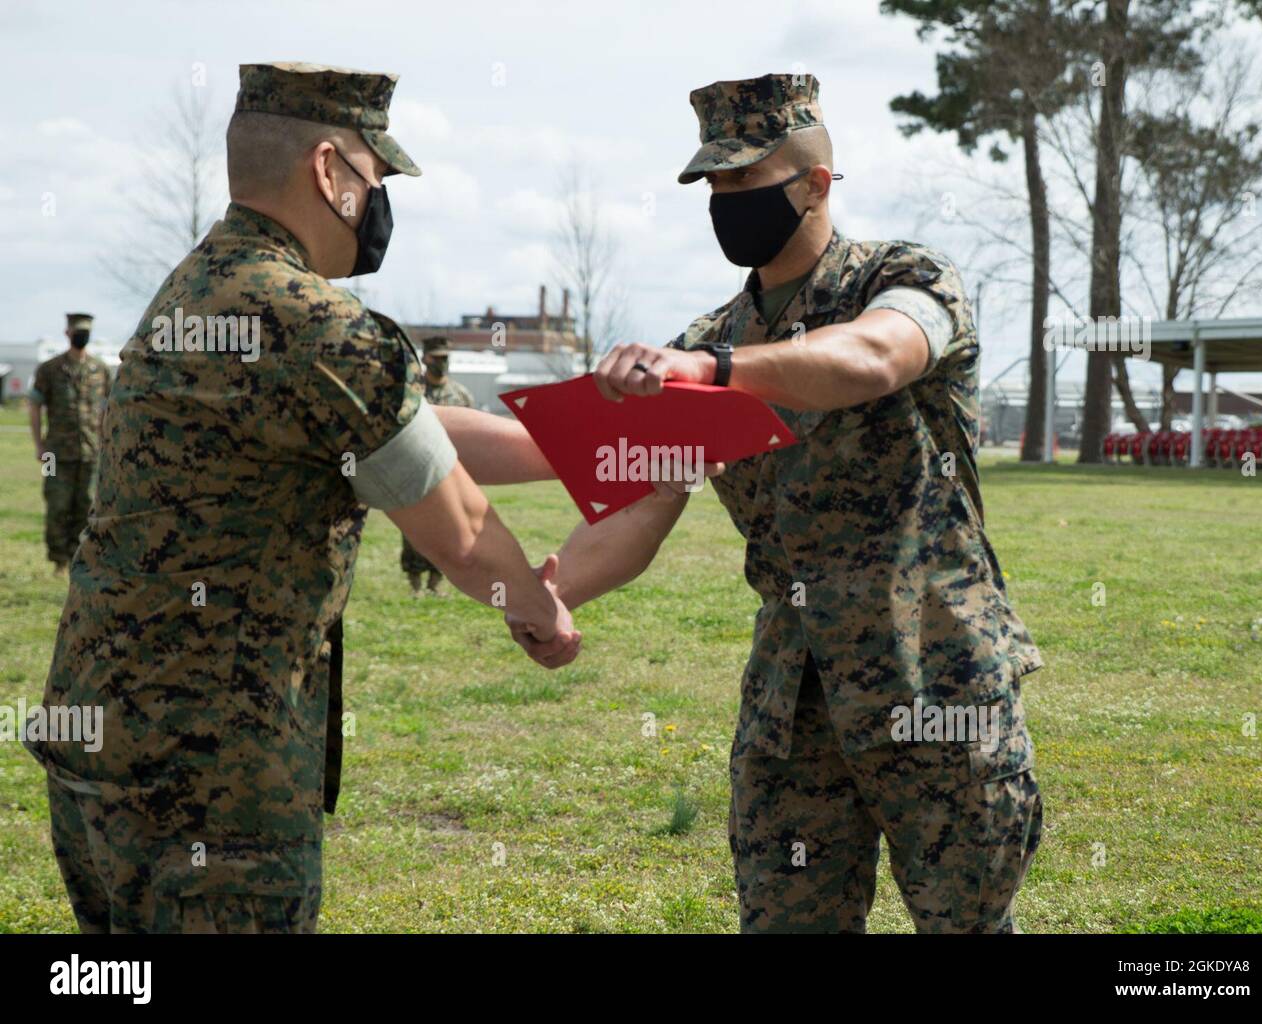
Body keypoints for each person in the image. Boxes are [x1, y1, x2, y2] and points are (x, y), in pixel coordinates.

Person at [25, 62, 579, 934]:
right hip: (213, 779)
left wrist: (606, 449)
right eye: (378, 178)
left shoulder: (198, 289)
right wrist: (542, 609)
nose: (383, 203)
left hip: (102, 748)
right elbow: (463, 534)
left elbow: (403, 425)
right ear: (330, 173)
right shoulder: (316, 324)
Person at [513, 73, 1044, 933]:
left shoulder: (904, 279)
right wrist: (554, 591)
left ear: (816, 182)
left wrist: (717, 371)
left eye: (744, 182)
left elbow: (872, 359)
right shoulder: (705, 342)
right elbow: (642, 508)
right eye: (714, 186)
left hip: (936, 677)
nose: (726, 202)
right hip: (793, 705)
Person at [28, 312, 110, 574]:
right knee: (57, 505)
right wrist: (39, 445)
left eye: (85, 331)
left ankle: (80, 560)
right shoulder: (49, 369)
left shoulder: (101, 370)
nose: (81, 335)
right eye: (77, 331)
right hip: (55, 453)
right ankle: (59, 561)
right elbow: (34, 406)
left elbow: (109, 410)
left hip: (91, 451)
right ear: (67, 333)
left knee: (86, 506)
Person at [401, 336, 475, 595]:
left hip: (451, 471)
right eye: (437, 358)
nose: (442, 363)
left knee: (448, 527)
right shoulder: (413, 391)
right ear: (425, 358)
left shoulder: (460, 394)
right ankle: (415, 585)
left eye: (446, 358)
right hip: (416, 469)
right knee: (415, 527)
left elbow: (473, 431)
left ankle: (436, 583)